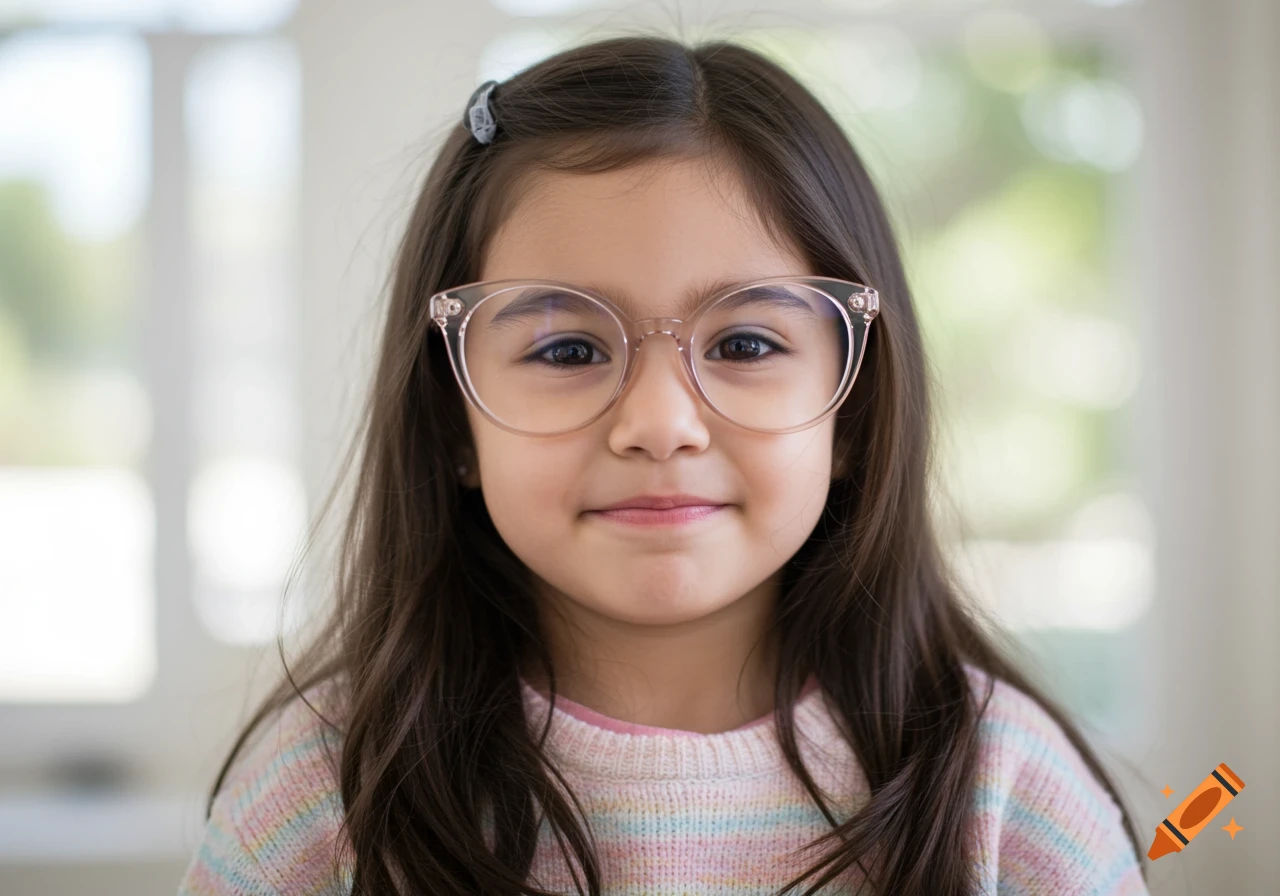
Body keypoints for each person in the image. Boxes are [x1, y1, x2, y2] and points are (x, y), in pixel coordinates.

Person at [177, 33, 1151, 896]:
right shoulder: (320, 799)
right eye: (566, 349)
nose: (659, 424)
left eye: (745, 344)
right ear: (451, 419)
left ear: (853, 411)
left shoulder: (1007, 798)